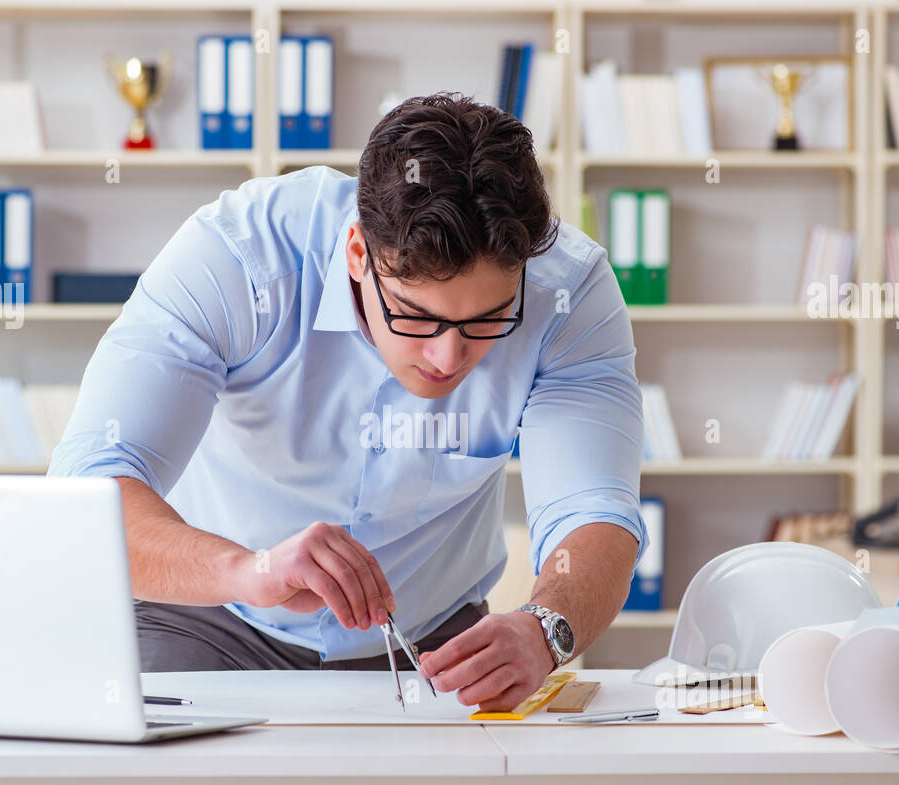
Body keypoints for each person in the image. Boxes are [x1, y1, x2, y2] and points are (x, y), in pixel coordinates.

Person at [49, 92, 648, 712]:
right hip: (209, 616)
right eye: (417, 316)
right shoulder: (238, 259)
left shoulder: (569, 294)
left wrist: (545, 629)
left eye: (488, 320)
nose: (448, 359)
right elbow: (88, 490)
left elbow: (594, 511)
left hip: (437, 643)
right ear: (358, 255)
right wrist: (251, 571)